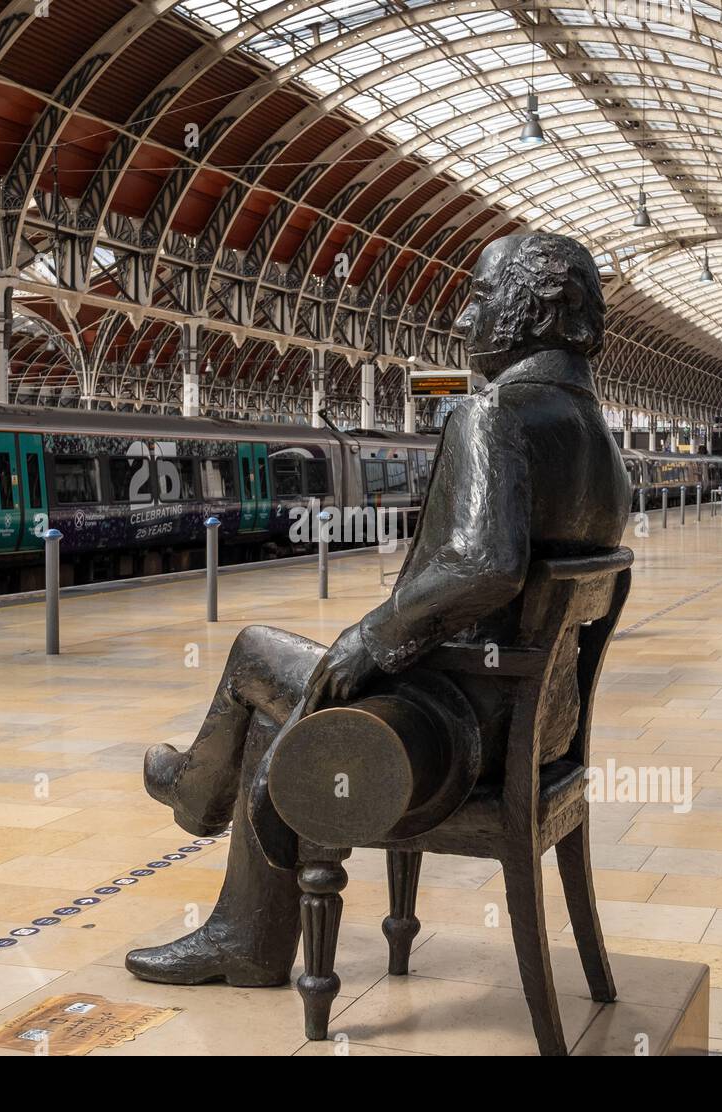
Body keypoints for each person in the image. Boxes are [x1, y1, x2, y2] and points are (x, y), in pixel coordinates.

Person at [126, 232, 631, 987]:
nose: (466, 315)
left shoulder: (494, 416)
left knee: (256, 652)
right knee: (278, 714)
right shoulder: (599, 440)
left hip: (447, 726)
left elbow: (481, 563)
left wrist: (370, 638)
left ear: (531, 311)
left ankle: (199, 798)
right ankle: (246, 939)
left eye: (483, 296)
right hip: (530, 726)